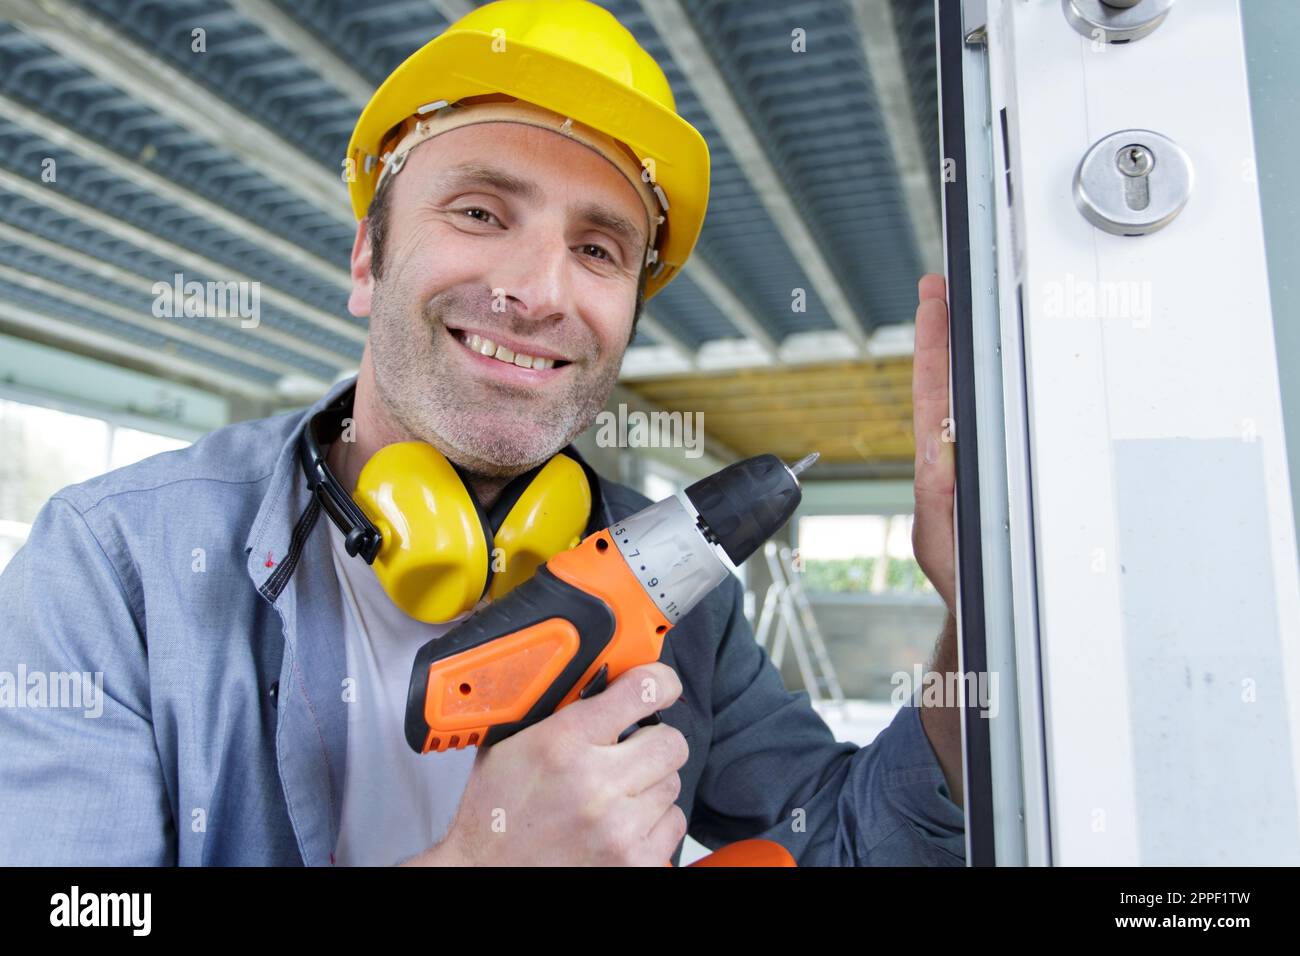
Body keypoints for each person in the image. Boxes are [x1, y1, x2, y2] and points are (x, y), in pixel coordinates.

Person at [0, 0, 964, 866]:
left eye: (596, 249)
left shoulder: (679, 592)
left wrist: (982, 615)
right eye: (478, 210)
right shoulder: (116, 563)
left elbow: (848, 841)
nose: (536, 291)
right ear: (370, 259)